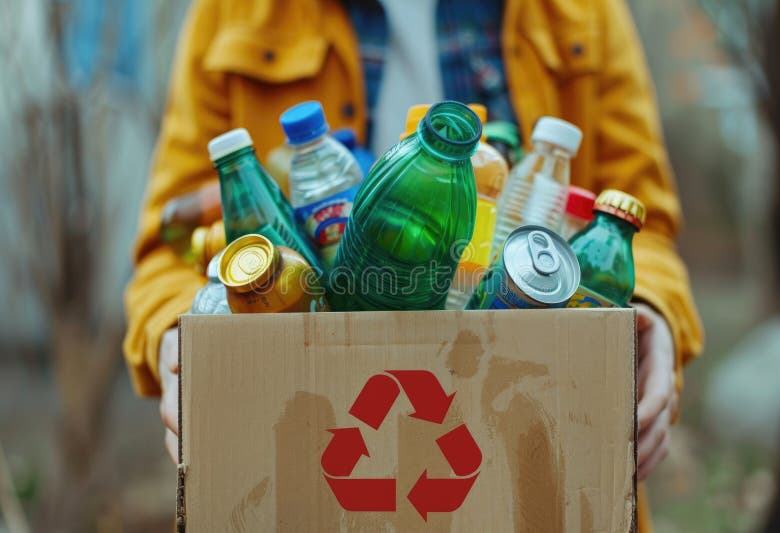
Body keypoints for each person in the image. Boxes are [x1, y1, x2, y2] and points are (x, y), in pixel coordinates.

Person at [123, 0, 704, 530]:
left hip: (537, 475)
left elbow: (640, 224)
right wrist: (184, 339)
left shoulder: (585, 13)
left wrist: (650, 311)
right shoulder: (233, 12)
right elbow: (166, 249)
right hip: (296, 474)